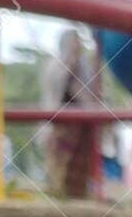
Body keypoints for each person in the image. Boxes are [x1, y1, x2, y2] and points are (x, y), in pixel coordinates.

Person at [41, 29, 95, 199]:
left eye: (78, 42)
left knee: (80, 163)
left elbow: (90, 94)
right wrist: (69, 66)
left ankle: (79, 194)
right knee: (59, 161)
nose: (77, 46)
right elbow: (55, 88)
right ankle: (57, 193)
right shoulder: (54, 65)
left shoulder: (85, 67)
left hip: (82, 125)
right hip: (60, 124)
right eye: (74, 42)